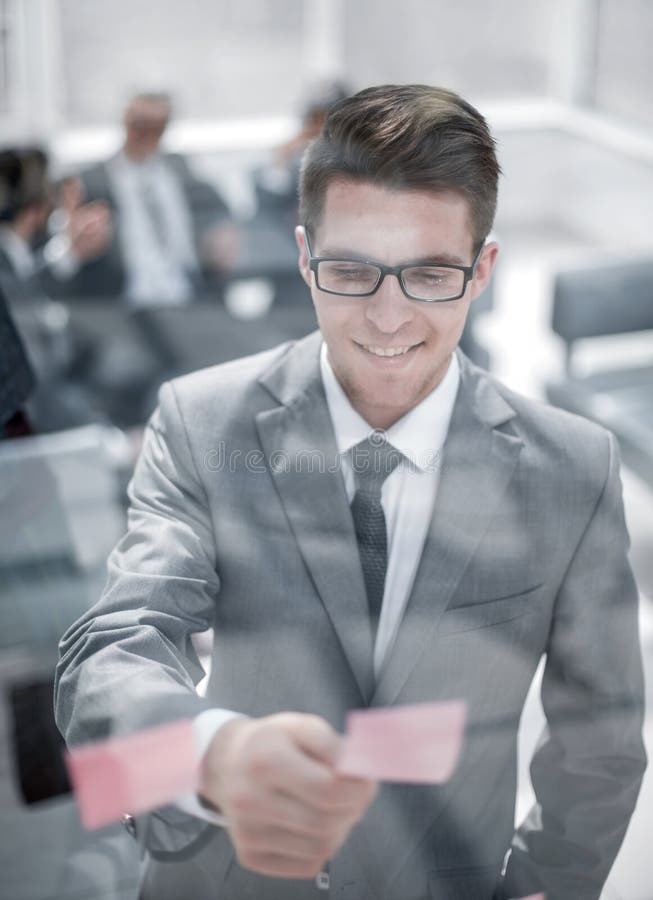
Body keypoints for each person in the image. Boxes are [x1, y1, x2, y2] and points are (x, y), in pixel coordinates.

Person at [55, 85, 646, 900]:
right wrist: (210, 755)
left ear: (483, 270)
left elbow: (601, 736)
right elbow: (110, 653)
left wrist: (548, 883)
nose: (387, 317)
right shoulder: (202, 422)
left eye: (431, 273)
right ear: (303, 258)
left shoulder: (572, 467)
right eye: (350, 271)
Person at [56, 92, 236, 305]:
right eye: (140, 125)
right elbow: (66, 256)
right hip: (125, 303)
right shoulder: (91, 182)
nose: (146, 135)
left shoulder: (180, 171)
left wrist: (221, 236)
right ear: (126, 122)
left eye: (156, 127)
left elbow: (221, 213)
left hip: (188, 297)